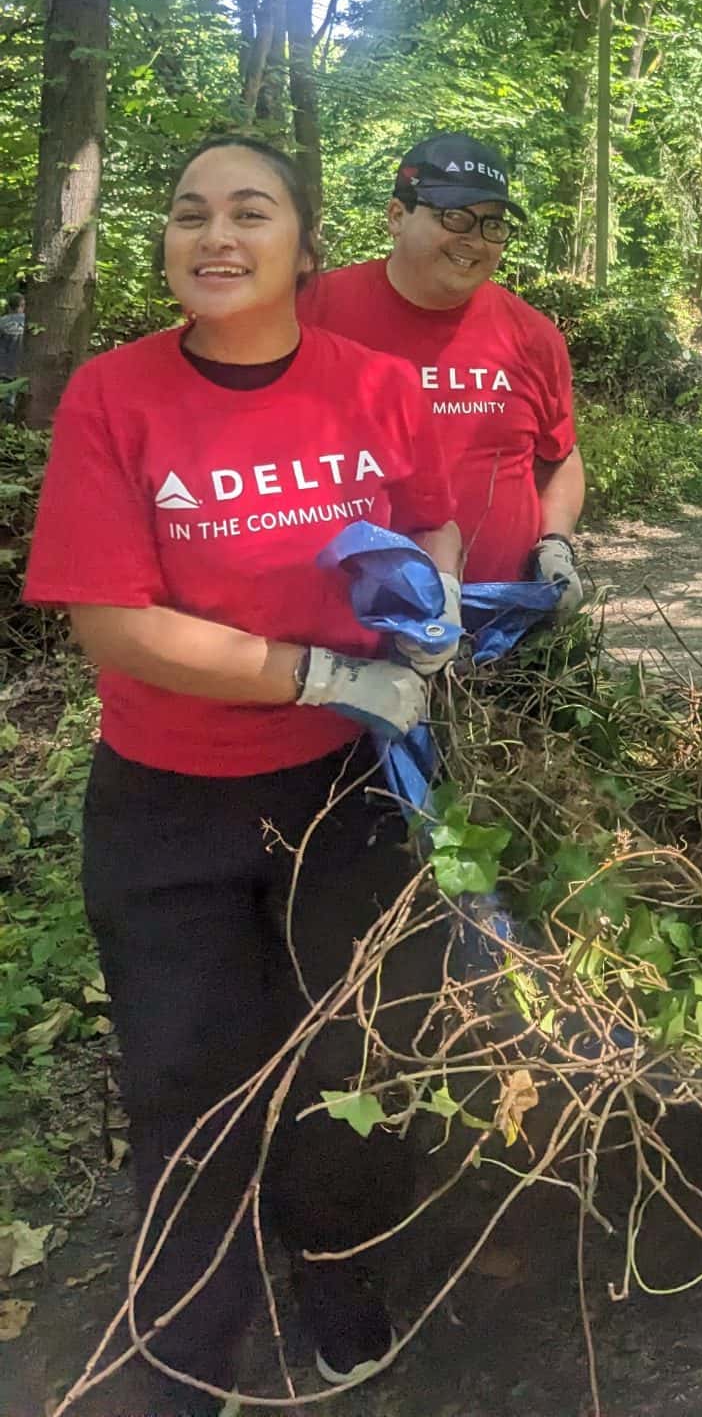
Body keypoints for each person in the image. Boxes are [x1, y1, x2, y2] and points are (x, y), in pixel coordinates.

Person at [25, 137, 462, 1416]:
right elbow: (113, 620)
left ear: (305, 243)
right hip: (169, 804)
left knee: (353, 1051)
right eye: (190, 213)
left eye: (251, 210)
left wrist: (425, 595)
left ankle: (334, 1267)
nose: (216, 234)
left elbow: (430, 512)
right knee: (187, 1070)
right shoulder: (116, 397)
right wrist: (325, 674)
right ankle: (190, 1333)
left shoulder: (377, 387)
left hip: (350, 797)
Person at [300, 131, 585, 611]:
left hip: (502, 627)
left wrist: (555, 544)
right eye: (454, 217)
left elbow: (559, 454)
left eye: (492, 225)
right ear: (397, 215)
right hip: (346, 625)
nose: (473, 241)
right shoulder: (310, 311)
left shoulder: (532, 335)